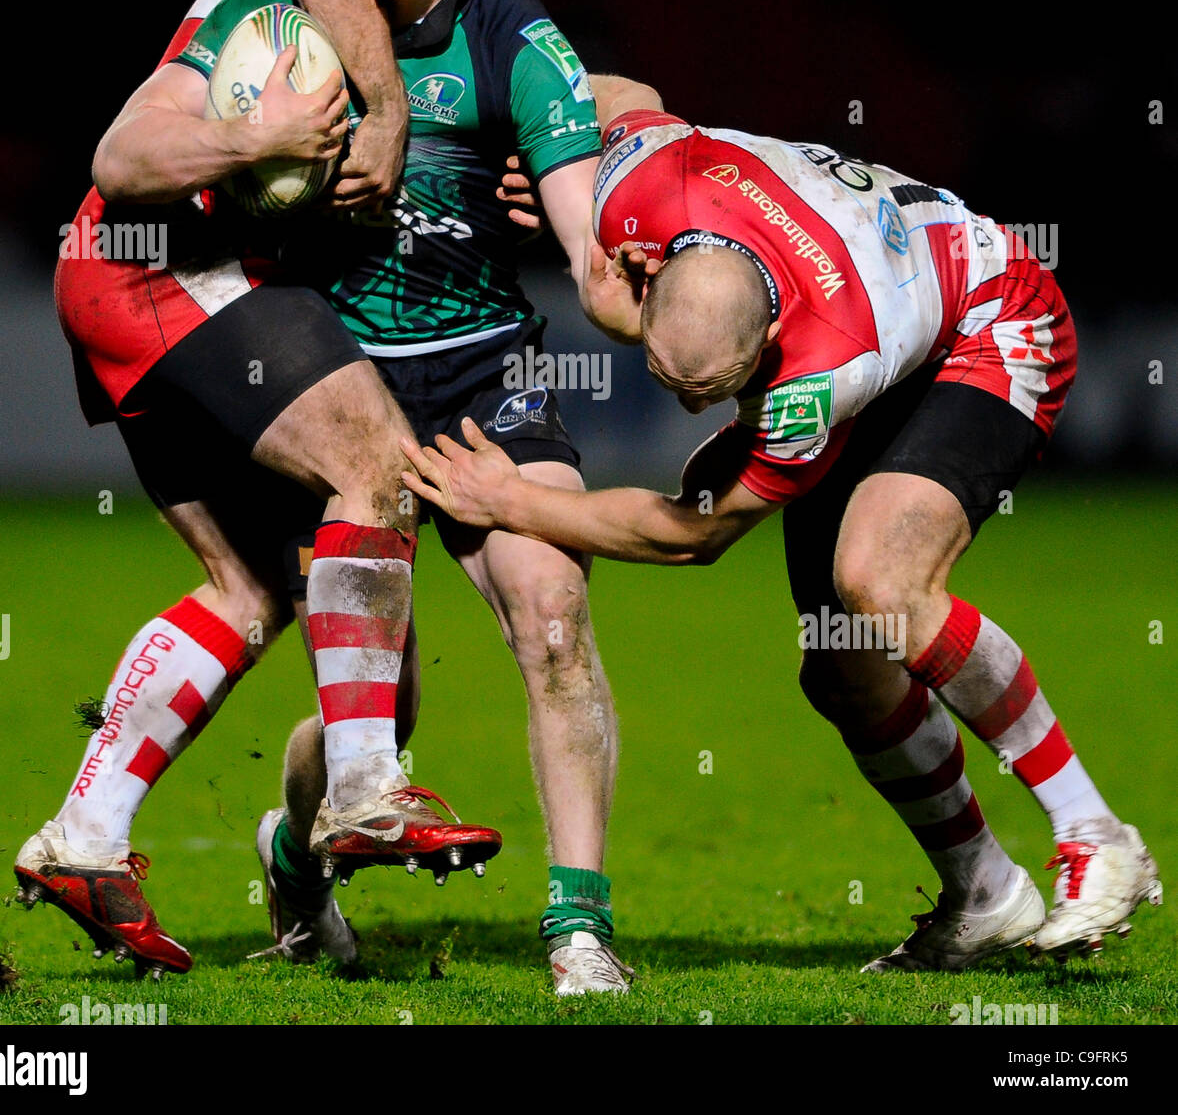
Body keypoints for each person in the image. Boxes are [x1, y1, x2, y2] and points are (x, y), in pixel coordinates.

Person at [402, 82, 1164, 971]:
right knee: (843, 670)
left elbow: (692, 534)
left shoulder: (817, 379)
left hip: (988, 321)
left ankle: (1094, 834)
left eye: (708, 393)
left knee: (879, 582)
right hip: (883, 305)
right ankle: (984, 894)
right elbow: (620, 93)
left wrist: (515, 503)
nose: (685, 404)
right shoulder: (645, 175)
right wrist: (547, 157)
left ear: (763, 351)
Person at [13, 0, 501, 981]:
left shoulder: (442, 22)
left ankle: (85, 837)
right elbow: (121, 160)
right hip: (163, 269)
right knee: (375, 461)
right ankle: (368, 794)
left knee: (255, 597)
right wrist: (316, 130)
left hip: (137, 287)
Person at [242, 0, 633, 996]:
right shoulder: (290, 27)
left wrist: (660, 312)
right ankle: (294, 857)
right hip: (339, 390)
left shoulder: (513, 32)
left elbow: (585, 240)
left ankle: (577, 926)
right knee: (383, 711)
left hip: (484, 374)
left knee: (554, 616)